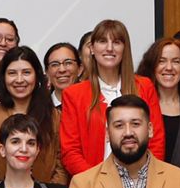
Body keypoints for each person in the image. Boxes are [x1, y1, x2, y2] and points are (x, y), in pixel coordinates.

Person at [59, 19, 163, 176]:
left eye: (116, 42)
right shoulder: (74, 94)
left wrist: (141, 179)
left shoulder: (144, 86)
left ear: (124, 48)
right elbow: (70, 151)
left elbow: (156, 141)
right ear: (92, 48)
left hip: (141, 183)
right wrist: (96, 183)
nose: (109, 48)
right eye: (102, 41)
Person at [0, 47, 65, 185]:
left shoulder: (55, 117)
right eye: (12, 73)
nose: (19, 80)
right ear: (3, 77)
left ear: (37, 76)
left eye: (26, 72)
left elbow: (61, 166)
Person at [137, 37, 180, 182]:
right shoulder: (138, 107)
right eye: (161, 61)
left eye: (176, 61)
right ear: (152, 66)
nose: (169, 67)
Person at [44, 42, 81, 108]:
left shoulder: (93, 104)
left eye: (68, 63)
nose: (62, 70)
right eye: (55, 64)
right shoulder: (40, 108)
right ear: (47, 72)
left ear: (80, 68)